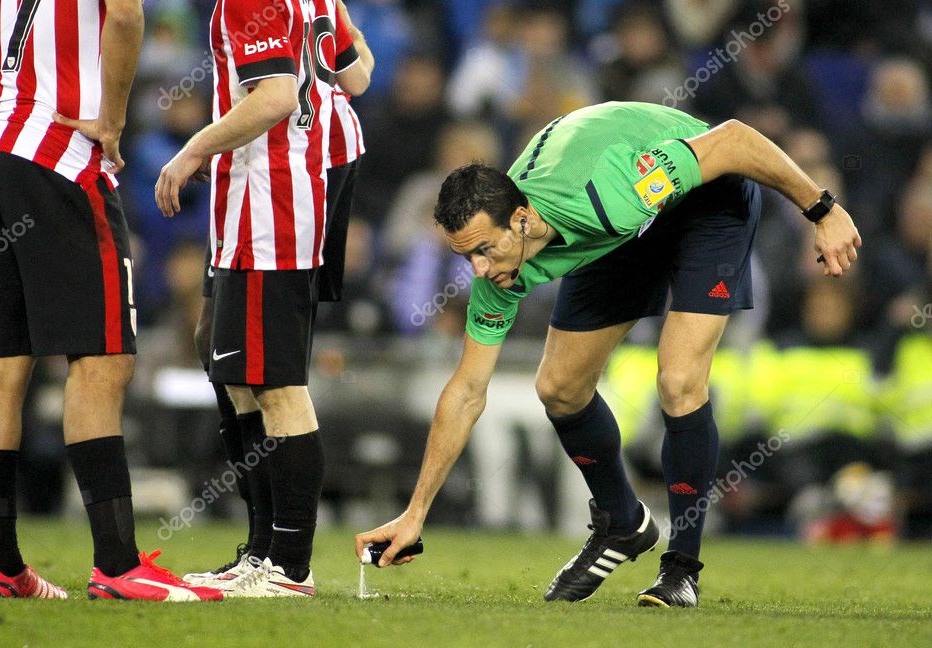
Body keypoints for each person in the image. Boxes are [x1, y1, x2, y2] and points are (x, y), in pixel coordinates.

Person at [356, 101, 861, 608]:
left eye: (484, 250)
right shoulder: (502, 262)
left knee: (679, 379)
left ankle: (681, 569)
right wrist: (415, 513)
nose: (478, 270)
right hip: (625, 229)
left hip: (706, 203)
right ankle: (622, 523)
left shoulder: (612, 192)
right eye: (465, 255)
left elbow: (734, 140)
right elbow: (467, 390)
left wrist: (821, 209)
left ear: (523, 220)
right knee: (559, 388)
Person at [0, 0, 221, 600]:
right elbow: (127, 16)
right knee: (102, 357)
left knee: (3, 362)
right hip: (59, 155)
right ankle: (117, 561)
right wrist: (112, 120)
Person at [155, 0, 373, 598]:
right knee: (225, 360)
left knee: (274, 379)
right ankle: (261, 552)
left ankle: (289, 565)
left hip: (278, 191)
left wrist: (195, 146)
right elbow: (358, 74)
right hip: (295, 177)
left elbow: (275, 96)